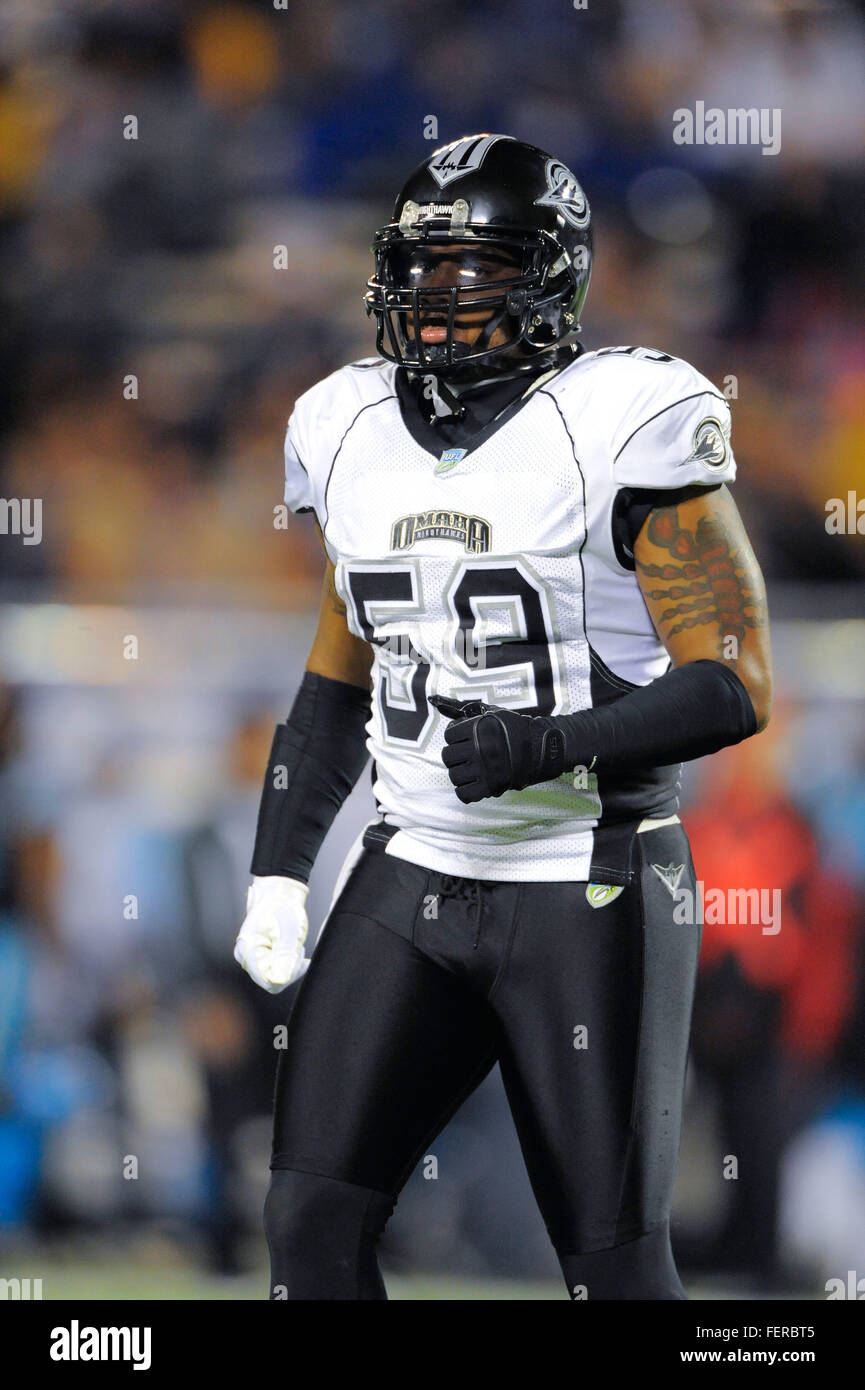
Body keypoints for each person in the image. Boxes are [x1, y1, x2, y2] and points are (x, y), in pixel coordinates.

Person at [233, 134, 773, 1300]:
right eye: (419, 267)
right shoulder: (343, 424)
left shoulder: (625, 418)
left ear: (548, 275)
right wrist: (281, 872)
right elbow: (337, 678)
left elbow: (734, 680)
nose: (436, 296)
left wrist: (549, 744)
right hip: (412, 867)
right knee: (310, 1227)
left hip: (590, 879)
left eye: (472, 267)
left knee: (614, 1273)